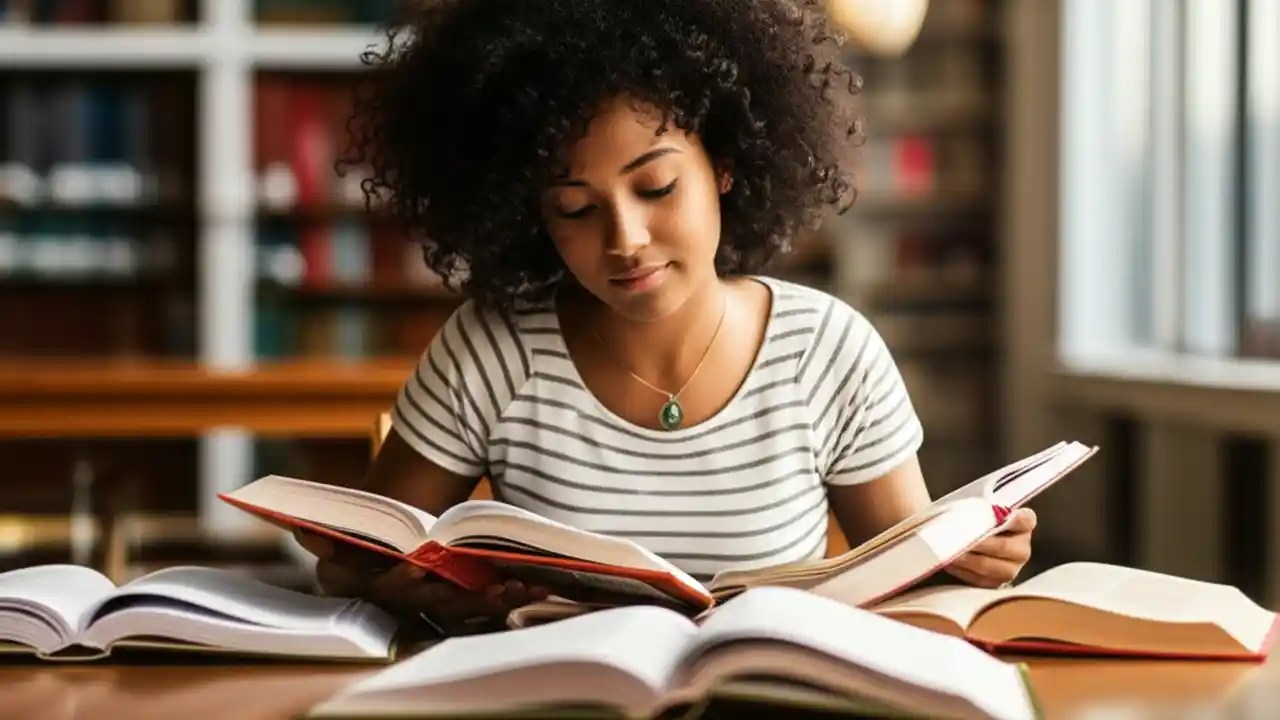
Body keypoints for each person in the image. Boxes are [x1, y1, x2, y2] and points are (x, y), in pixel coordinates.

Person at [295, 0, 1036, 635]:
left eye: (655, 187)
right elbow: (361, 562)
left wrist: (974, 562)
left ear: (725, 163)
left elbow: (915, 595)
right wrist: (400, 590)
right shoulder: (491, 352)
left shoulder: (829, 352)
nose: (625, 241)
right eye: (575, 208)